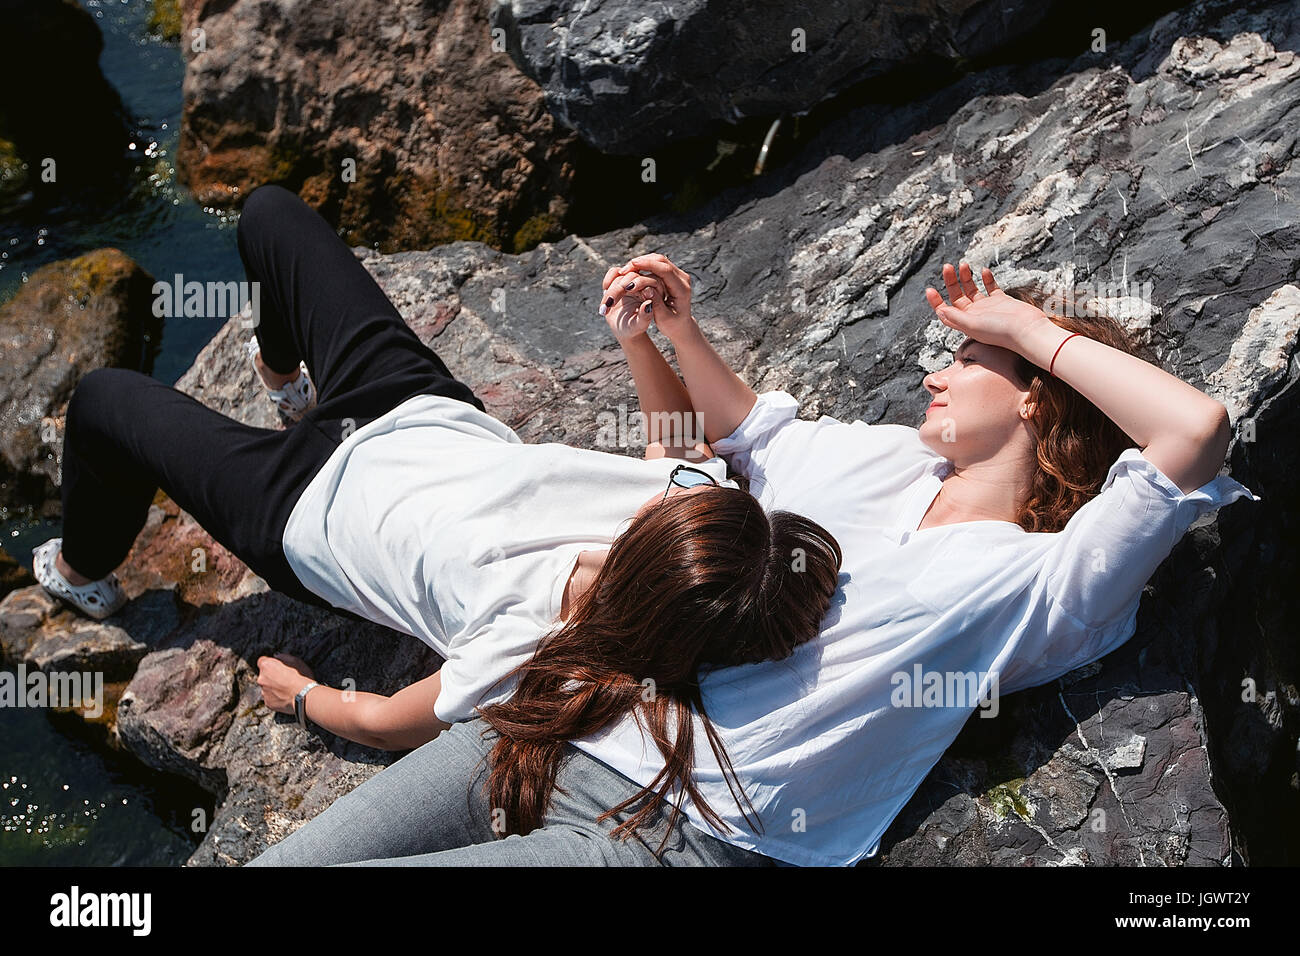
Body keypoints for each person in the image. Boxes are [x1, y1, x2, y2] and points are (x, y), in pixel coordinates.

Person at [246, 251, 1256, 867]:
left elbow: (1195, 431)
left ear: (1034, 395)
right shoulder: (883, 461)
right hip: (562, 716)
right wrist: (668, 327)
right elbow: (719, 439)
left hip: (676, 834)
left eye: (967, 361)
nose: (937, 373)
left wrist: (1028, 327)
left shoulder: (1043, 580)